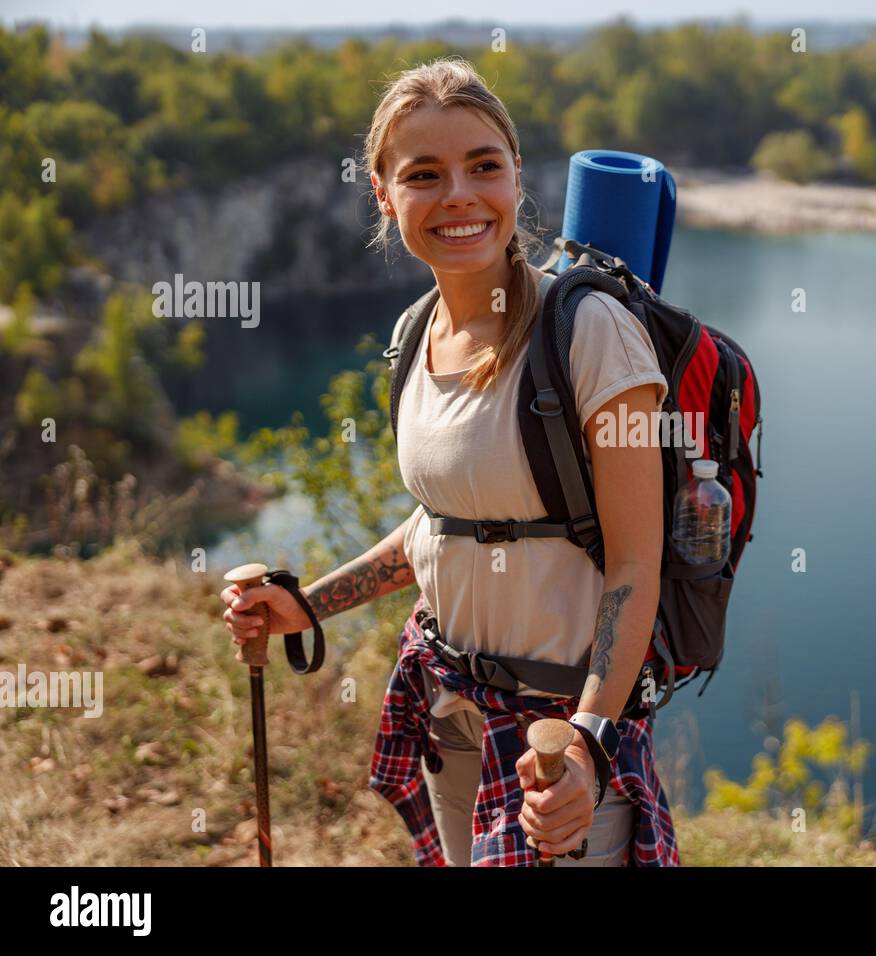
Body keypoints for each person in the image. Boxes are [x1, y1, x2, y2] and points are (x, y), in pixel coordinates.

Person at [218, 56, 679, 866]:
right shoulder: (413, 335)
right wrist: (310, 605)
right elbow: (446, 524)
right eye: (424, 174)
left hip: (555, 747)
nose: (459, 196)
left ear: (515, 177)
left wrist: (586, 747)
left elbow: (635, 566)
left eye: (483, 166)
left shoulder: (592, 333)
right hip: (448, 715)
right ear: (383, 193)